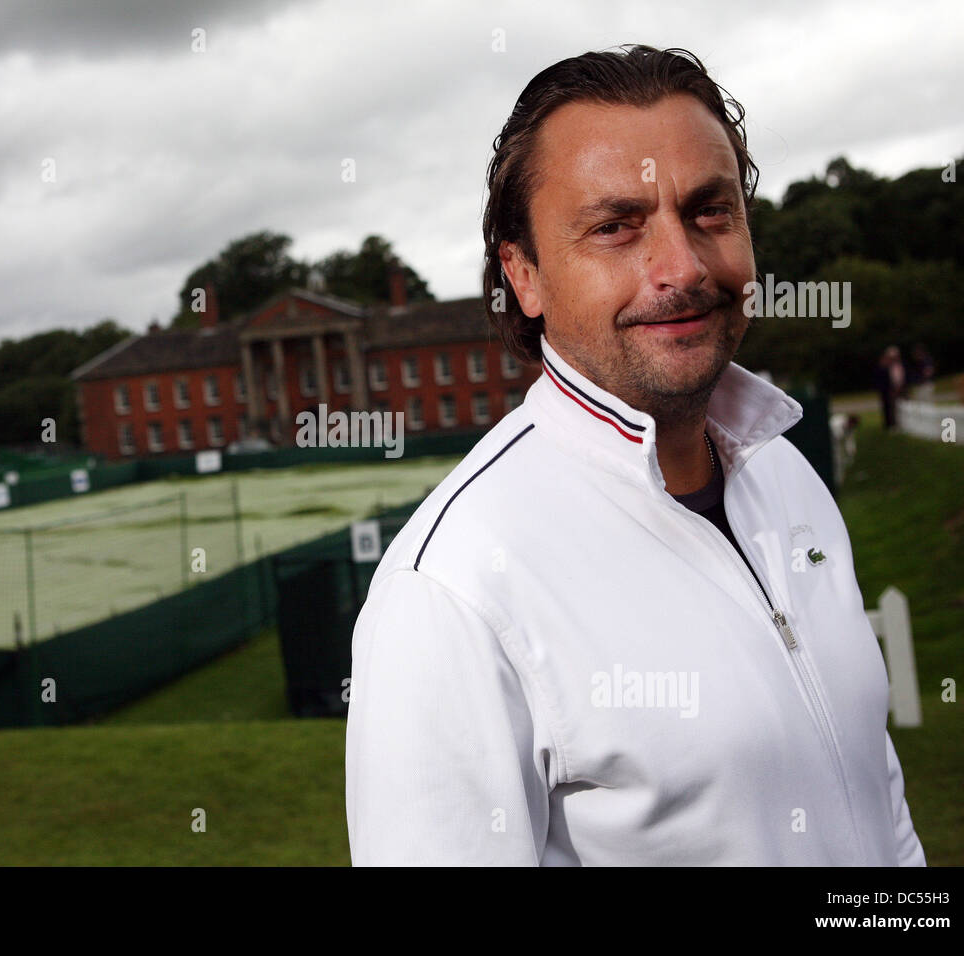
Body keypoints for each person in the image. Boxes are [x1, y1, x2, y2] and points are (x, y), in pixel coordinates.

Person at [345, 45, 925, 866]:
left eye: (710, 212)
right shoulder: (450, 587)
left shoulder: (788, 475)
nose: (682, 268)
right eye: (615, 227)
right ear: (525, 275)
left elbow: (875, 798)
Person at [875, 345, 907, 428]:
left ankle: (903, 423)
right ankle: (892, 425)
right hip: (890, 390)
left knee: (903, 406)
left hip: (901, 388)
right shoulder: (885, 366)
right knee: (891, 408)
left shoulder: (900, 365)